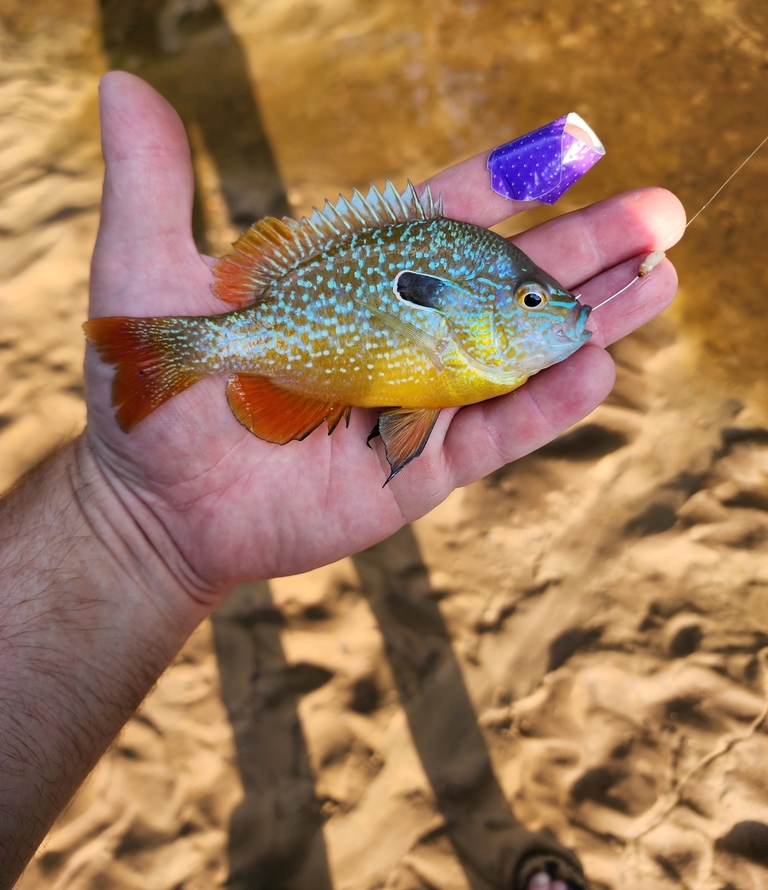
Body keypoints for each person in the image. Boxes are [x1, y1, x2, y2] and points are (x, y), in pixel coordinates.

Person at [0, 72, 685, 889]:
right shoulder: (465, 343)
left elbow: (417, 401)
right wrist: (120, 505)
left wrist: (118, 521)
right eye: (536, 297)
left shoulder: (472, 345)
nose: (559, 311)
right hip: (299, 356)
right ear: (483, 309)